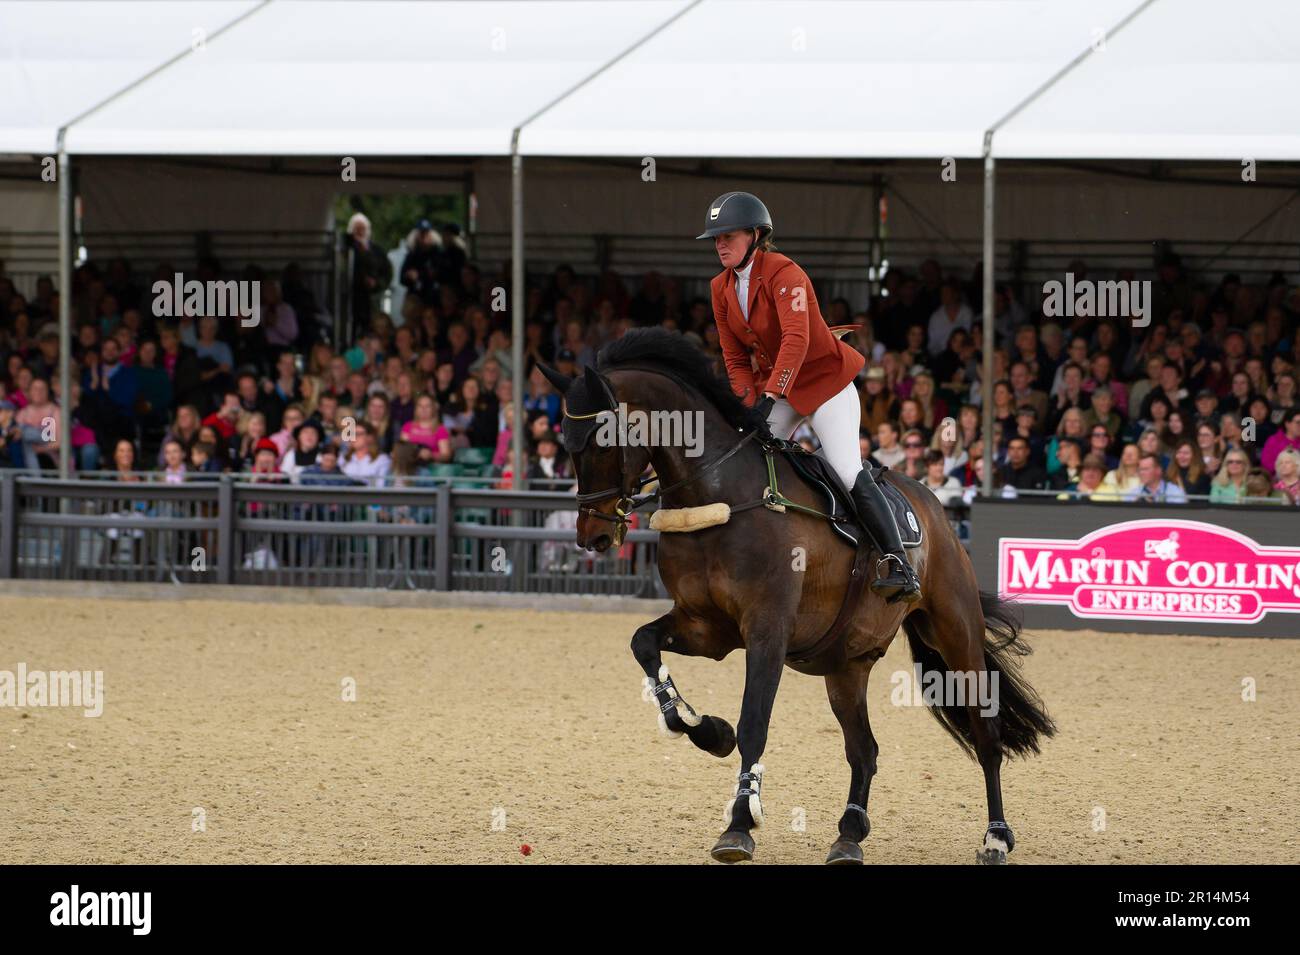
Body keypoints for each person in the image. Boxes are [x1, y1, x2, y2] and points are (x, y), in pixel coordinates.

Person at [699, 190, 918, 601]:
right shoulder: (719, 287)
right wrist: (749, 405)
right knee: (744, 458)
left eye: (728, 235)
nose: (720, 244)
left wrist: (770, 395)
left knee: (846, 469)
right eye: (716, 238)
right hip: (778, 387)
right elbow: (733, 356)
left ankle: (898, 560)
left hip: (825, 382)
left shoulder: (786, 272)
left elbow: (796, 340)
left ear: (756, 235)